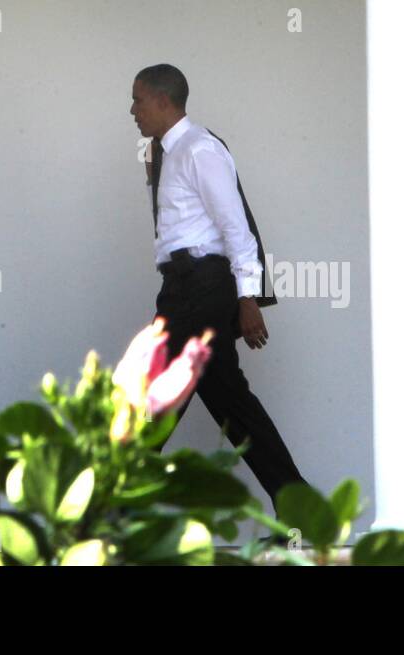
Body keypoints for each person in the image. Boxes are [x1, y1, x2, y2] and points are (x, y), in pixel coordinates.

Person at [129, 63, 308, 506]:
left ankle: (104, 522)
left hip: (202, 289)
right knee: (233, 408)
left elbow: (236, 228)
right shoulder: (165, 152)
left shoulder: (199, 150)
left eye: (138, 99)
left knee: (156, 402)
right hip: (181, 289)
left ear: (163, 101)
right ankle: (301, 513)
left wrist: (247, 298)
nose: (132, 110)